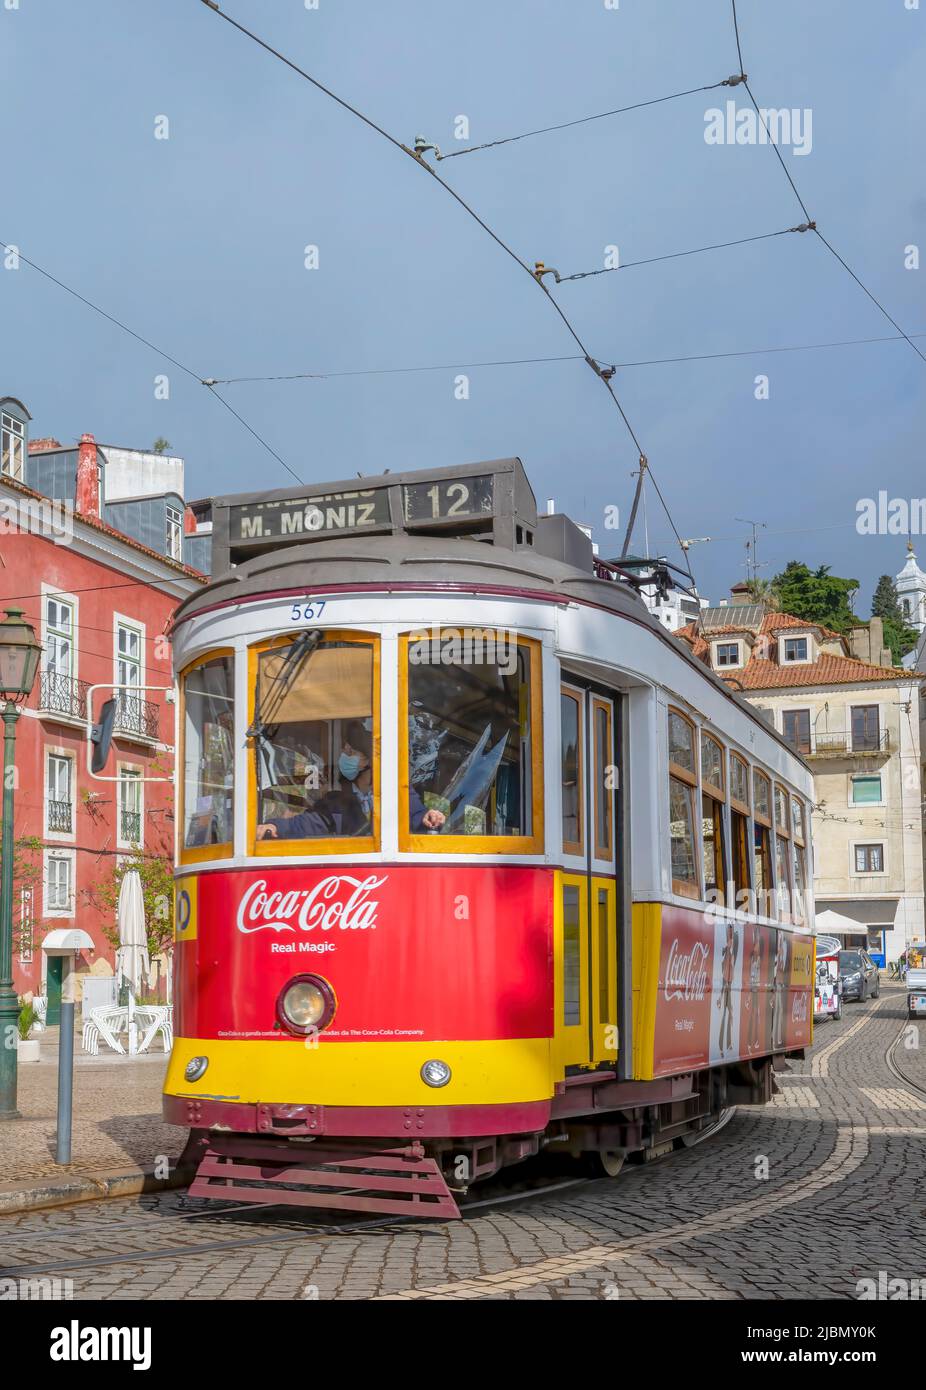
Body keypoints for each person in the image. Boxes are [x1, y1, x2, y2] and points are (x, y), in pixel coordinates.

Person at [257, 723, 445, 839]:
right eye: (344, 751)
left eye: (350, 752)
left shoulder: (397, 793)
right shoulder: (335, 802)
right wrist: (275, 826)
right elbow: (304, 824)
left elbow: (416, 816)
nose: (343, 757)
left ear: (367, 759)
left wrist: (429, 818)